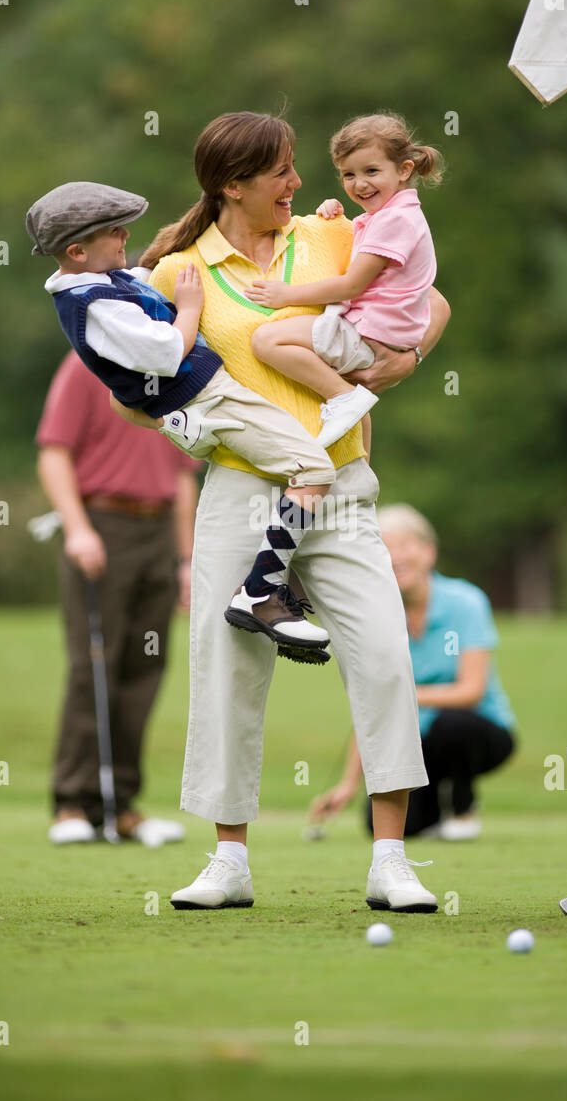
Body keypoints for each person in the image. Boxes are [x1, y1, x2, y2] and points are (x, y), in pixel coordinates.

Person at [125, 110, 451, 912]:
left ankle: (391, 860)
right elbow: (137, 391)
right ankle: (228, 861)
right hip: (240, 486)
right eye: (282, 171)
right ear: (234, 185)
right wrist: (188, 430)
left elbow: (431, 300)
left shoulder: (331, 236)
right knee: (228, 666)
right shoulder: (178, 269)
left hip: (339, 484)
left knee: (381, 654)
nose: (300, 184)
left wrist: (407, 360)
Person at [26, 180, 357, 654]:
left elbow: (152, 266)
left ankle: (282, 576)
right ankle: (262, 590)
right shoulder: (94, 306)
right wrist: (190, 309)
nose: (124, 235)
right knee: (314, 470)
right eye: (113, 230)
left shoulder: (103, 282)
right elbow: (165, 352)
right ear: (77, 250)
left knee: (295, 468)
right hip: (203, 397)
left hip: (198, 398)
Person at [35, 348, 197, 846]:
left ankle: (120, 804)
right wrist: (78, 528)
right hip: (102, 525)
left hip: (158, 535)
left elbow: (183, 475)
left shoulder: (173, 370)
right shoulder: (84, 365)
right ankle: (72, 803)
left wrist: (187, 559)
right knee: (94, 666)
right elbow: (53, 452)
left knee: (143, 668)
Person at [308, 505, 516, 840]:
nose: (396, 556)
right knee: (383, 824)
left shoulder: (466, 602)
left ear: (429, 552)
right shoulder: (375, 617)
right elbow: (374, 709)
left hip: (480, 733)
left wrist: (406, 695)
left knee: (452, 725)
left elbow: (471, 690)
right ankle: (437, 811)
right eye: (385, 547)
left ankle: (463, 805)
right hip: (416, 744)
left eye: (406, 545)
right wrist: (348, 784)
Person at [246, 113, 441, 449]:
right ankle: (348, 413)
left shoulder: (394, 221)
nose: (359, 184)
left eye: (371, 171)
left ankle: (342, 396)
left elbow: (353, 285)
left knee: (266, 340)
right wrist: (339, 216)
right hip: (379, 336)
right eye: (348, 175)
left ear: (404, 170)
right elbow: (373, 258)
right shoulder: (392, 216)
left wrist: (286, 295)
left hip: (368, 337)